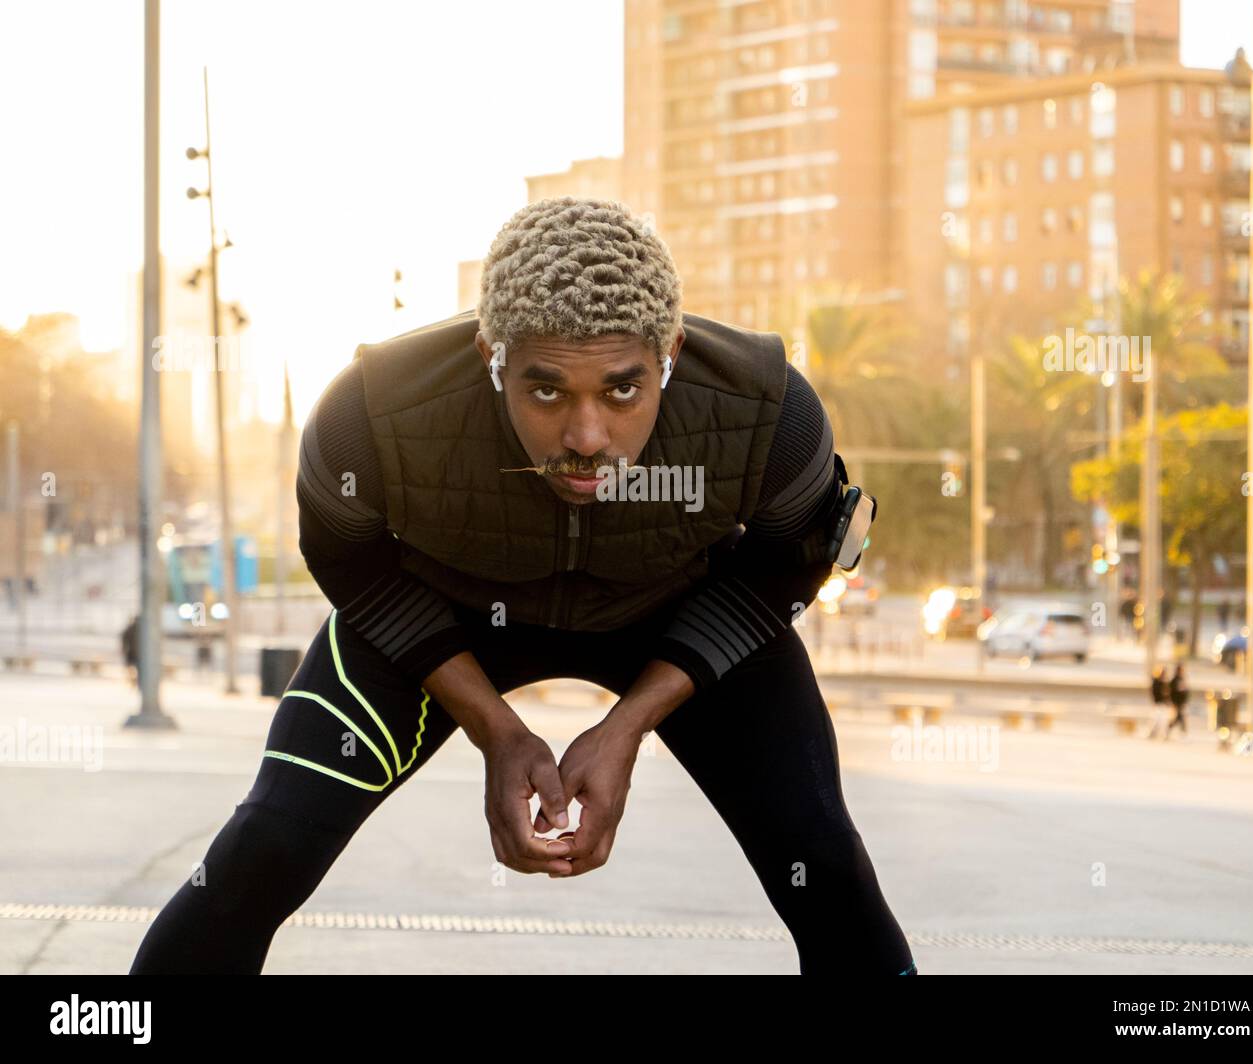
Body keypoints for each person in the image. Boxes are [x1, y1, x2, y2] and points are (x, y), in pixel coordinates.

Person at [129, 196, 916, 977]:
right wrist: (495, 729)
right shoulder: (365, 419)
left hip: (673, 612)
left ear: (670, 352)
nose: (586, 437)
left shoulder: (771, 417)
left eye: (622, 390)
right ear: (490, 356)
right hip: (444, 613)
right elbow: (351, 564)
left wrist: (630, 723)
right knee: (264, 849)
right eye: (546, 391)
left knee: (823, 866)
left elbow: (782, 568)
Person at [1165, 663, 1189, 740]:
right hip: (1176, 702)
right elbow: (1171, 692)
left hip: (1181, 703)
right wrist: (1173, 702)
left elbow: (1185, 692)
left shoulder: (1182, 679)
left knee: (1179, 717)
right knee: (1178, 718)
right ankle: (1181, 732)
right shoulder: (1174, 680)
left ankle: (1182, 732)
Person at [1147, 666, 1169, 740]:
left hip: (1162, 704)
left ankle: (1163, 734)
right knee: (1157, 720)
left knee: (1163, 721)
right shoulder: (1157, 682)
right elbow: (1157, 694)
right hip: (1158, 704)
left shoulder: (1163, 682)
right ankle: (1152, 733)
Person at [120, 613, 140, 687]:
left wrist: (123, 649)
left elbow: (123, 640)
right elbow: (124, 640)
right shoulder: (141, 631)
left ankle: (134, 681)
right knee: (133, 668)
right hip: (136, 653)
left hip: (132, 652)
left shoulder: (130, 629)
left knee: (131, 668)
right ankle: (134, 681)